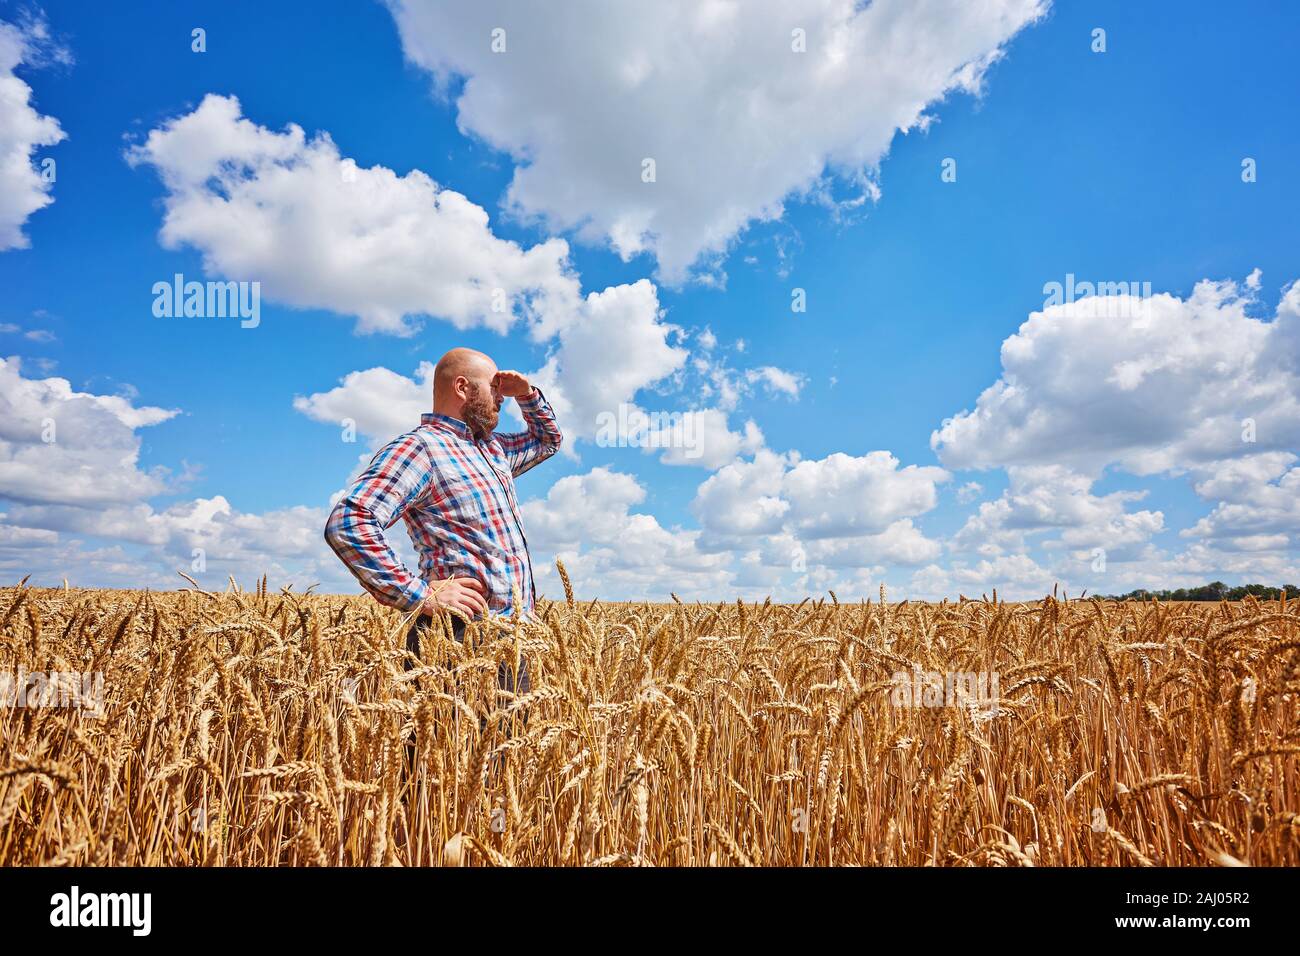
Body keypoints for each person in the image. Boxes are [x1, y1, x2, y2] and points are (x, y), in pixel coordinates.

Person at [324, 347, 563, 698]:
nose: (502, 397)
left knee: (505, 752)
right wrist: (418, 593)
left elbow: (548, 441)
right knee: (449, 750)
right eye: (494, 387)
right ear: (463, 387)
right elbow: (350, 521)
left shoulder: (493, 450)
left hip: (514, 640)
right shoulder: (421, 448)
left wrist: (527, 395)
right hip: (457, 640)